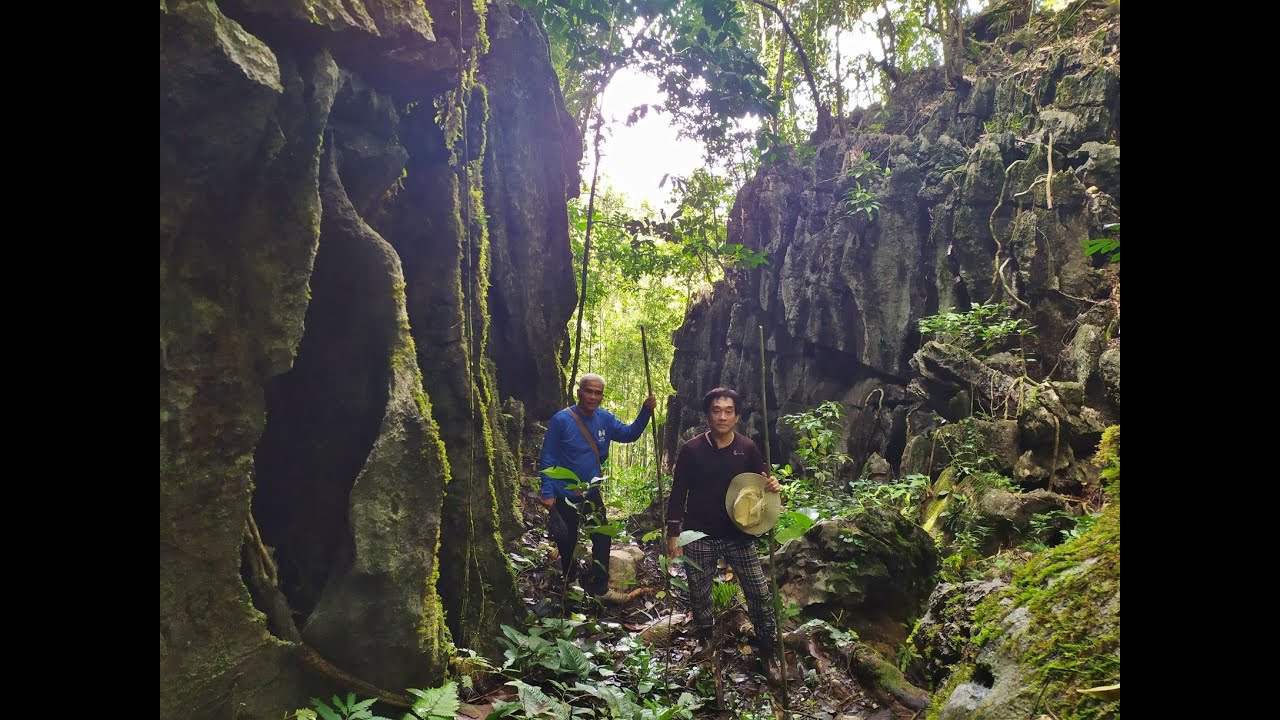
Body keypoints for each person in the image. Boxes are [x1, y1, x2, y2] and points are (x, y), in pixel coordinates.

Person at [666, 386, 782, 668]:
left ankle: (767, 650)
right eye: (716, 411)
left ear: (737, 416)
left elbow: (761, 485)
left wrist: (773, 486)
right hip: (699, 534)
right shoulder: (692, 449)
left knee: (758, 591)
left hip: (739, 535)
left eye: (728, 411)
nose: (722, 417)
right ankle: (706, 642)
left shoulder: (748, 448)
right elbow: (679, 491)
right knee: (699, 593)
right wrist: (673, 534)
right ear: (707, 415)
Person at [540, 373, 656, 596]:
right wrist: (547, 492)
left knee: (602, 536)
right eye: (589, 391)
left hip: (590, 491)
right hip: (564, 492)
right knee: (567, 539)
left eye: (598, 392)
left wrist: (645, 411)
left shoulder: (605, 419)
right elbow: (548, 457)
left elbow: (630, 434)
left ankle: (600, 586)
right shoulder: (561, 420)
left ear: (602, 395)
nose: (593, 396)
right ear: (579, 392)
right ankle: (570, 581)